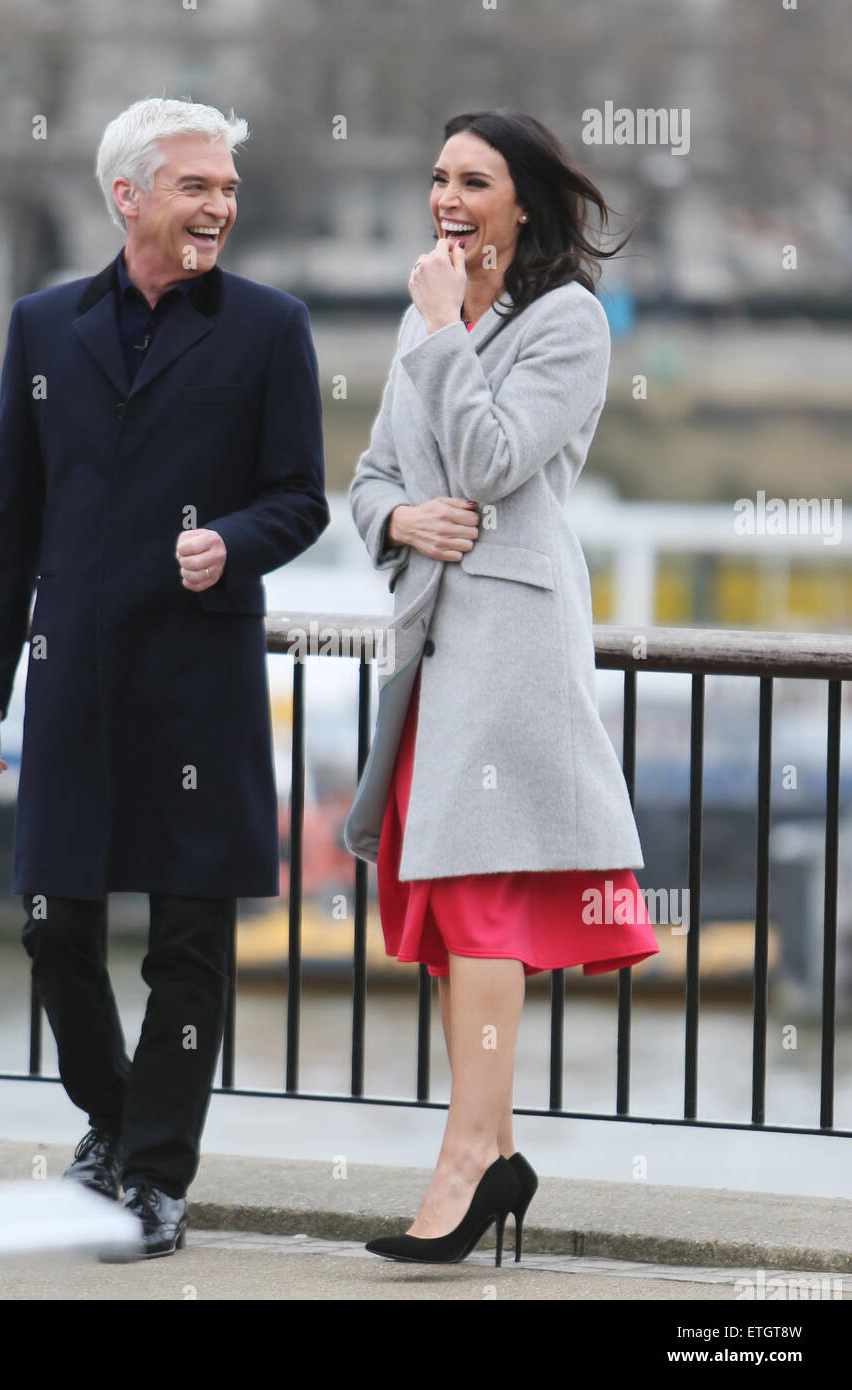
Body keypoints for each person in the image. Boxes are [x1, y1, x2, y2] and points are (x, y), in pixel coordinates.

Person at [0, 97, 329, 1261]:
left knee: (188, 943)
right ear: (129, 197)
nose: (218, 204)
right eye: (195, 186)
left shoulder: (271, 328)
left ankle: (155, 1178)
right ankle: (114, 1121)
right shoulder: (42, 325)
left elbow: (301, 498)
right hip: (69, 675)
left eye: (226, 187)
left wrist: (234, 541)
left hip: (198, 676)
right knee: (51, 924)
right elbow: (10, 516)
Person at [344, 108, 660, 1266]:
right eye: (438, 177)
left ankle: (468, 1161)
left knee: (478, 906)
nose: (448, 198)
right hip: (431, 647)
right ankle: (495, 1149)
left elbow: (491, 461)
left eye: (474, 180)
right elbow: (377, 477)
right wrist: (399, 517)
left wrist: (437, 333)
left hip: (511, 647)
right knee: (446, 914)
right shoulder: (431, 314)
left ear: (524, 201)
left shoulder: (569, 323)